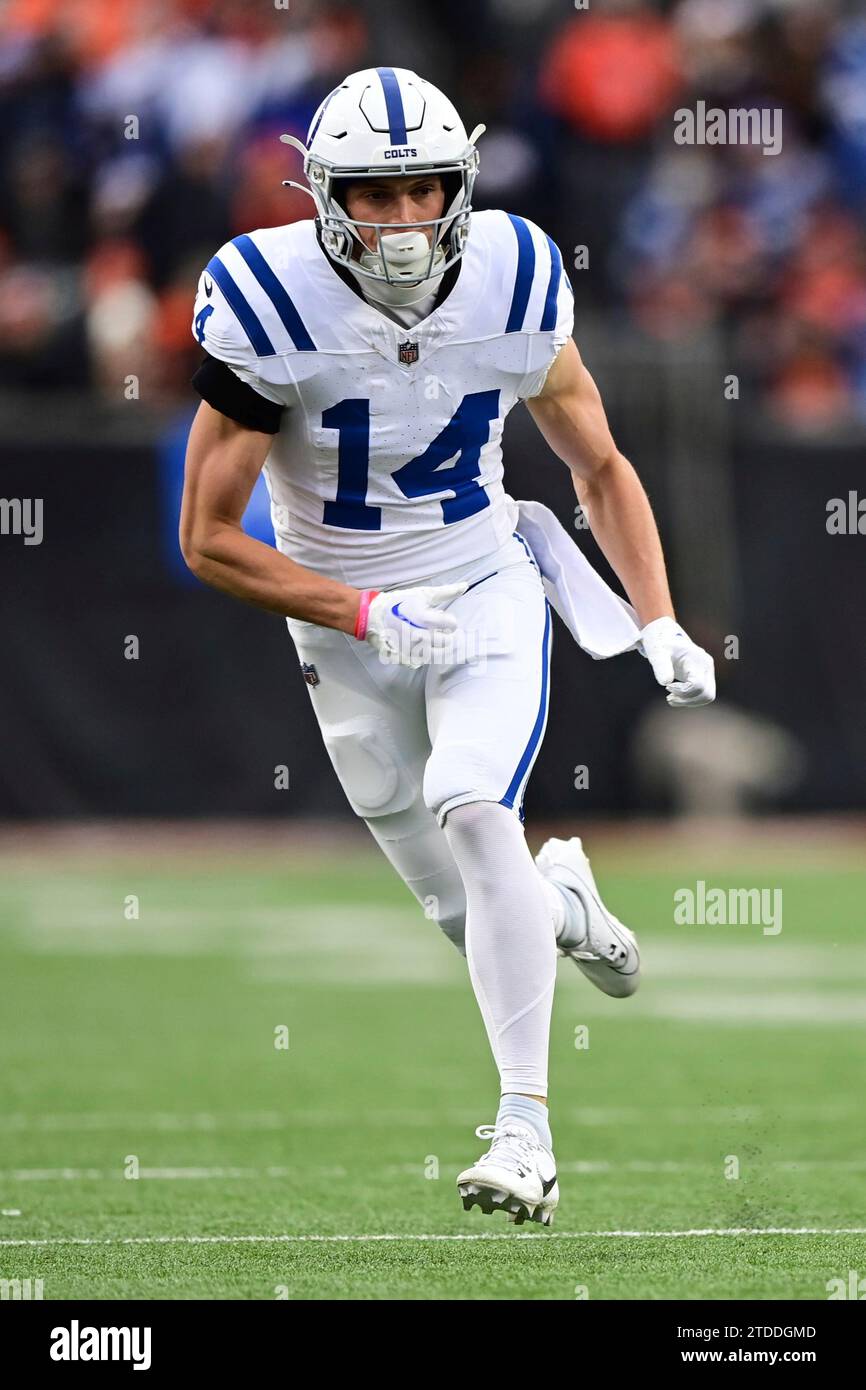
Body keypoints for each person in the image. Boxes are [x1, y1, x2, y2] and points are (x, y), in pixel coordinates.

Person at [180, 67, 715, 1227]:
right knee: (474, 916)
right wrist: (361, 614)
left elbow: (598, 467)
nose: (405, 218)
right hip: (340, 614)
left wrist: (658, 618)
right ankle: (561, 903)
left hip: (480, 579)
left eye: (425, 187)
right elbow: (209, 539)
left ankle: (524, 1131)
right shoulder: (267, 298)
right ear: (321, 197)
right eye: (373, 195)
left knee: (472, 802)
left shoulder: (515, 278)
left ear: (461, 184)